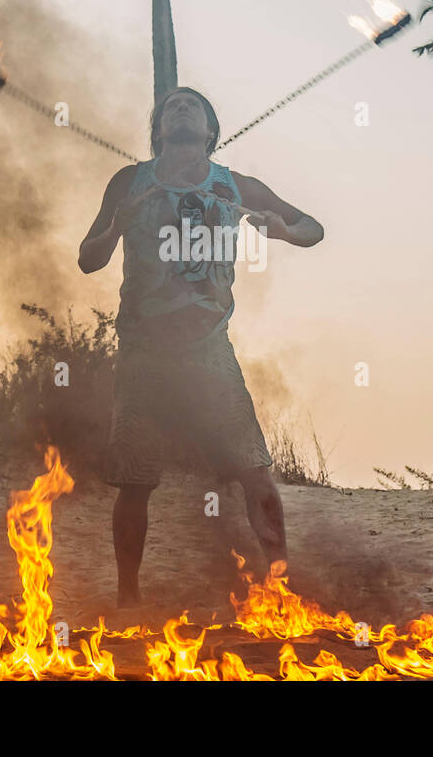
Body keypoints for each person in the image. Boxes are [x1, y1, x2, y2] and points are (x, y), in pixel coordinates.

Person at [78, 86, 324, 606]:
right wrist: (115, 228)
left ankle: (281, 588)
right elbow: (88, 258)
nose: (181, 108)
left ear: (211, 131)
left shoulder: (234, 186)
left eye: (193, 106)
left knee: (256, 472)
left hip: (210, 355)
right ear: (160, 130)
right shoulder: (130, 183)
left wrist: (283, 230)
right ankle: (128, 598)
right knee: (135, 481)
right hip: (144, 355)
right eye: (172, 107)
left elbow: (313, 227)